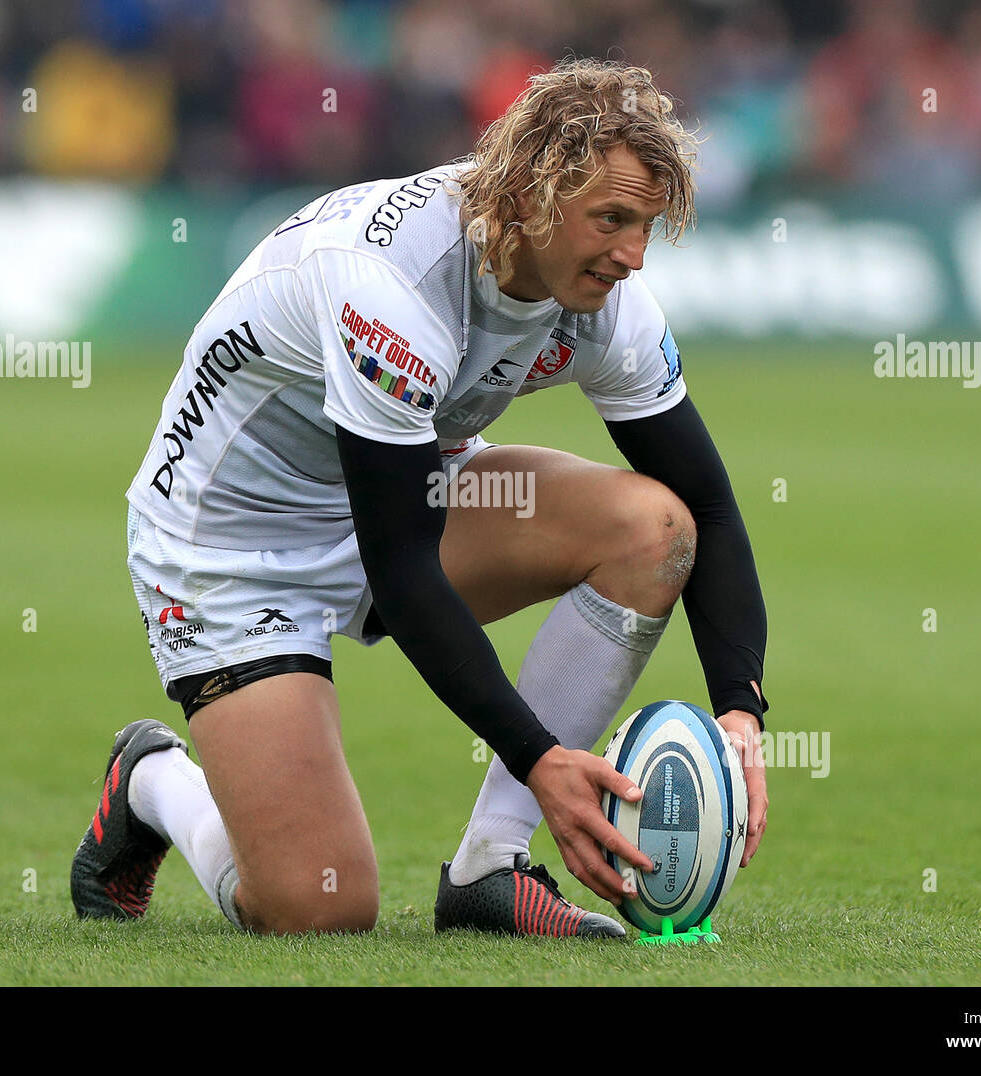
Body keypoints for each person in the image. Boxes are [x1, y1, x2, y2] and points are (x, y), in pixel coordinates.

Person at [71, 57, 769, 938]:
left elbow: (707, 506)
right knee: (316, 907)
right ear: (528, 197)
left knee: (653, 528)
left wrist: (740, 710)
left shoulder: (602, 297)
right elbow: (399, 568)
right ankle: (152, 782)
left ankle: (491, 868)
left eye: (647, 227)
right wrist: (542, 756)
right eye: (613, 220)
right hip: (228, 548)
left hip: (408, 487)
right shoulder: (392, 284)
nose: (633, 256)